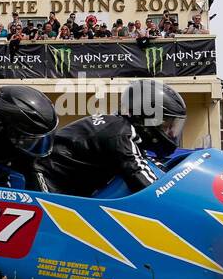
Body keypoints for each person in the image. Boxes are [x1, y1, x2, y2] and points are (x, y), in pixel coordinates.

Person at [42, 80, 186, 198]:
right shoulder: (120, 133)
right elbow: (148, 184)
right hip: (49, 185)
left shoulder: (118, 126)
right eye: (167, 125)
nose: (171, 133)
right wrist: (179, 200)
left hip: (61, 185)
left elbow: (148, 163)